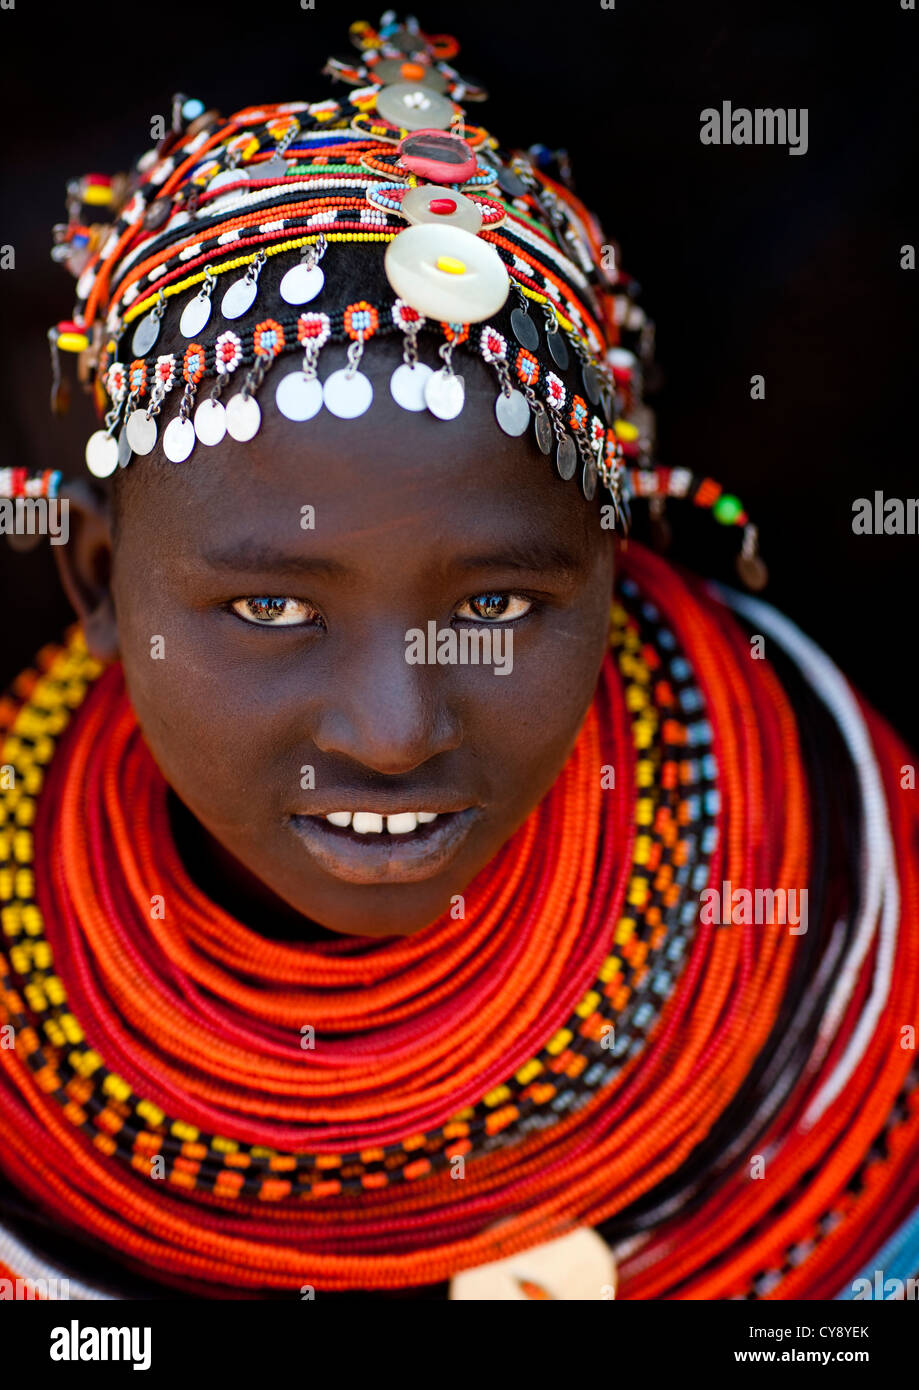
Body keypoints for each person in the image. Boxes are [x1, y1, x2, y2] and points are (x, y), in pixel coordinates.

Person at [1, 12, 917, 1301]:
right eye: (272, 611)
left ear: (614, 563)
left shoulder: (825, 866)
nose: (389, 733)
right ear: (97, 582)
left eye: (494, 609)